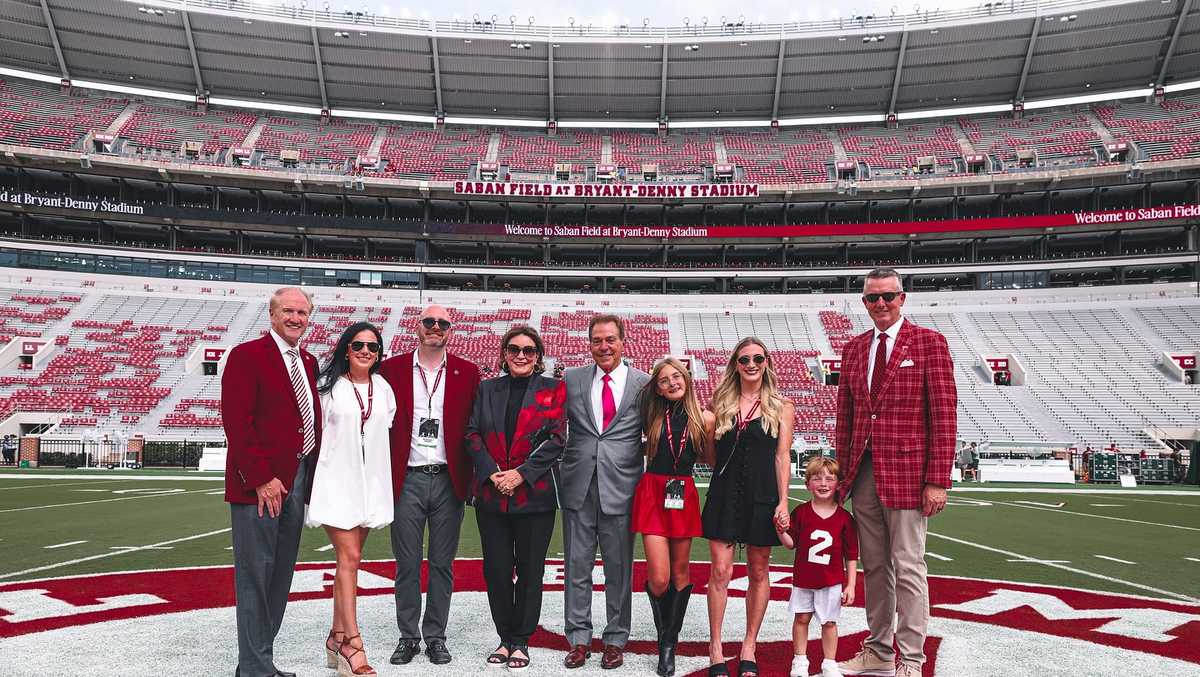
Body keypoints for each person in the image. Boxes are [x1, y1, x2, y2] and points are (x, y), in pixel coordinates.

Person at [835, 268, 957, 677]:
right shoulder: (854, 349)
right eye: (873, 298)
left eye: (888, 296)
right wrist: (841, 473)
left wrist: (937, 479)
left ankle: (912, 658)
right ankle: (878, 649)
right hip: (864, 471)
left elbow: (943, 415)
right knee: (874, 566)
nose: (881, 304)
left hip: (908, 472)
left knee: (908, 565)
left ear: (902, 298)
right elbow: (846, 417)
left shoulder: (929, 343)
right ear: (864, 302)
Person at [221, 286, 322, 677]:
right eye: (289, 311)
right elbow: (237, 421)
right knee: (255, 576)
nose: (296, 318)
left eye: (303, 312)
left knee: (280, 575)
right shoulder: (247, 356)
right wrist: (262, 478)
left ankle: (259, 662)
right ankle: (255, 668)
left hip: (297, 478)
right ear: (273, 314)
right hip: (262, 485)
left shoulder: (308, 361)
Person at [378, 304, 481, 666]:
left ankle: (435, 635)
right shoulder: (390, 369)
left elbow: (474, 428)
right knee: (406, 563)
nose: (436, 327)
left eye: (443, 323)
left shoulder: (468, 372)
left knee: (441, 564)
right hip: (406, 478)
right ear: (417, 327)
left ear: (450, 330)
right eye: (429, 321)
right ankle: (408, 636)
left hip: (447, 479)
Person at [464, 325, 566, 672]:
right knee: (496, 570)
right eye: (514, 349)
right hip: (491, 493)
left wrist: (521, 474)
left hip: (534, 495)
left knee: (530, 570)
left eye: (528, 350)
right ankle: (504, 636)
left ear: (538, 356)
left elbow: (556, 438)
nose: (521, 355)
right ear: (504, 353)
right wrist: (493, 472)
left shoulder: (553, 389)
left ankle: (521, 639)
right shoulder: (486, 388)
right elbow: (472, 433)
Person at [560, 314, 651, 670]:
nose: (604, 346)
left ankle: (615, 639)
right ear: (589, 344)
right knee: (576, 568)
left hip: (622, 488)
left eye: (610, 339)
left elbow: (656, 434)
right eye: (597, 340)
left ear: (623, 341)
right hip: (578, 487)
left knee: (619, 571)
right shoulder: (571, 378)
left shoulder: (644, 384)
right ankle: (579, 639)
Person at [701, 337, 795, 677]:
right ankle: (716, 648)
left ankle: (748, 645)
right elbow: (710, 457)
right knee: (721, 572)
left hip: (762, 495)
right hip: (724, 495)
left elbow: (782, 456)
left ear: (767, 362)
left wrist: (783, 501)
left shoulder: (782, 406)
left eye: (758, 358)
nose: (751, 364)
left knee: (758, 571)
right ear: (735, 365)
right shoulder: (720, 401)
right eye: (744, 359)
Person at [307, 322, 397, 677]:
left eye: (373, 347)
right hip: (335, 481)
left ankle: (335, 637)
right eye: (358, 344)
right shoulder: (327, 388)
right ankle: (353, 645)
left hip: (369, 483)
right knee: (351, 557)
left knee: (350, 562)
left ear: (379, 354)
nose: (365, 351)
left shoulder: (385, 388)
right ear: (346, 348)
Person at [632, 357, 715, 677]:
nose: (672, 383)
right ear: (658, 387)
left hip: (684, 492)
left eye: (676, 376)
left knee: (681, 574)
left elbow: (711, 458)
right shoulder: (651, 413)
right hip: (653, 492)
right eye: (664, 380)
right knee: (660, 578)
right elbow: (638, 393)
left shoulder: (704, 417)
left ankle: (668, 643)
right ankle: (665, 634)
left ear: (687, 378)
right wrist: (651, 385)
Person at [776, 457, 859, 677]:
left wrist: (850, 585)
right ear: (807, 484)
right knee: (801, 619)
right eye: (817, 478)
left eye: (829, 479)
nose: (823, 483)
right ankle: (800, 660)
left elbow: (851, 556)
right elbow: (791, 544)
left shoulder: (844, 518)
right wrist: (780, 529)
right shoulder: (801, 512)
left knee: (829, 622)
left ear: (838, 484)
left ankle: (829, 663)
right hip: (804, 579)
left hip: (831, 581)